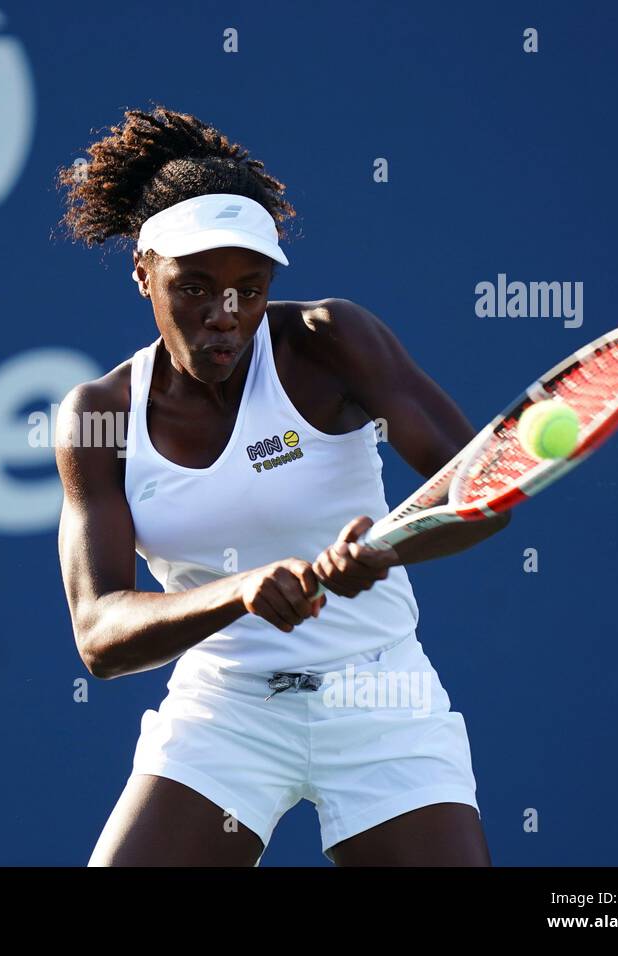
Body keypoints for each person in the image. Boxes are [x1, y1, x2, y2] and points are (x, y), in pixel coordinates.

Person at [53, 106, 510, 866]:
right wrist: (241, 591)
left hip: (380, 700)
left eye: (249, 288)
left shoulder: (331, 342)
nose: (225, 317)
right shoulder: (99, 417)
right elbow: (99, 638)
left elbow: (486, 491)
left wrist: (390, 549)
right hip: (226, 710)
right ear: (143, 272)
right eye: (195, 287)